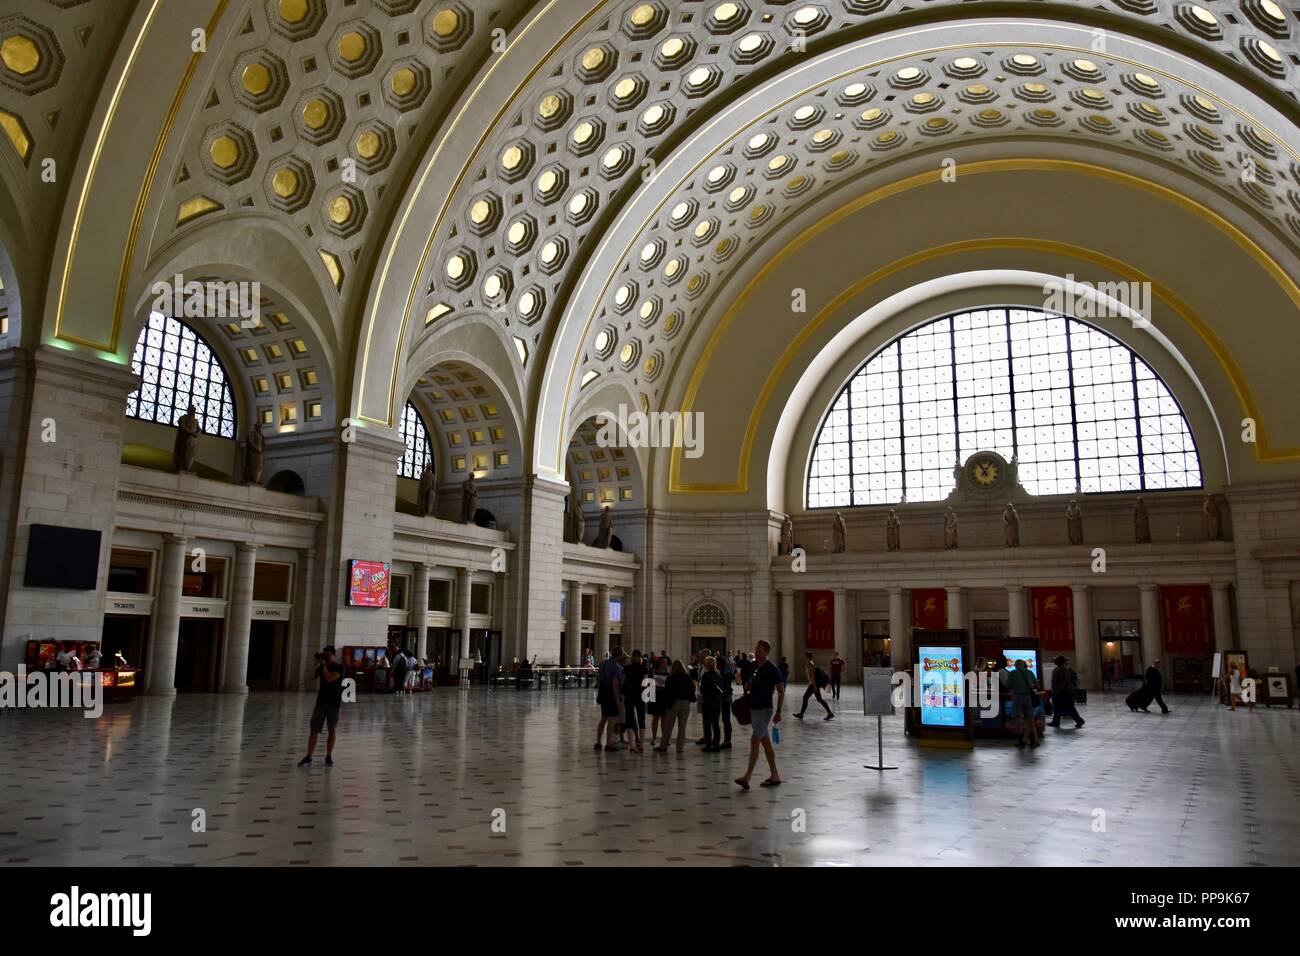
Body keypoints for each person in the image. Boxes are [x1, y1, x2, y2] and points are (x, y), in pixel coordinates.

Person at [735, 640, 784, 789]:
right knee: (766, 743)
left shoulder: (772, 669)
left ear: (766, 652)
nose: (756, 651)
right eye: (756, 648)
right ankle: (775, 775)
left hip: (764, 710)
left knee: (754, 740)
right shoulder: (755, 667)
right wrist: (749, 685)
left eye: (759, 649)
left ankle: (747, 777)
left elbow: (781, 691)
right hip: (754, 709)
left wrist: (779, 712)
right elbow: (752, 683)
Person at [299, 646, 343, 767]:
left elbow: (329, 678)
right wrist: (316, 664)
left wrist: (323, 666)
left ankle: (328, 756)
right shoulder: (321, 667)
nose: (326, 658)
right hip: (321, 702)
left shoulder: (339, 667)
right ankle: (309, 756)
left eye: (328, 655)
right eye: (324, 655)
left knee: (332, 730)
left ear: (334, 655)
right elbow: (311, 678)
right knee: (314, 730)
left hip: (334, 703)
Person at [655, 660, 696, 753]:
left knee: (669, 726)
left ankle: (663, 746)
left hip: (673, 703)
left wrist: (666, 703)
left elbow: (666, 692)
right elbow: (693, 688)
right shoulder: (687, 677)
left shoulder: (671, 678)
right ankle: (680, 748)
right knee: (682, 727)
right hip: (685, 703)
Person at [594, 646, 624, 752]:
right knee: (612, 719)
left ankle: (598, 742)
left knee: (603, 718)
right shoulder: (616, 666)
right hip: (611, 694)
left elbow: (599, 680)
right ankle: (608, 744)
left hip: (603, 692)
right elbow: (615, 684)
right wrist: (617, 700)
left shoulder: (602, 664)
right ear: (620, 655)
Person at [1006, 657, 1040, 748]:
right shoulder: (1030, 672)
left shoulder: (1013, 673)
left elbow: (1007, 685)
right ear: (1024, 665)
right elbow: (1037, 685)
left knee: (1018, 719)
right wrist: (1030, 686)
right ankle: (1032, 741)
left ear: (1016, 665)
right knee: (1030, 719)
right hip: (1028, 697)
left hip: (1017, 697)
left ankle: (1021, 742)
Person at [1047, 655, 1085, 729]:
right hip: (1060, 691)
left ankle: (1079, 721)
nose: (1054, 661)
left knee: (1069, 707)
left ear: (1059, 661)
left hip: (1064, 692)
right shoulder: (1058, 669)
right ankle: (1056, 721)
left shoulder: (1063, 669)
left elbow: (1064, 682)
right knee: (1057, 708)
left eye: (1056, 659)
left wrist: (1057, 690)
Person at [793, 652, 834, 720]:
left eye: (805, 657)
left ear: (808, 657)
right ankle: (830, 713)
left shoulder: (810, 665)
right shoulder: (809, 664)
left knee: (805, 697)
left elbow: (812, 677)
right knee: (819, 699)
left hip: (813, 685)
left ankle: (801, 714)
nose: (804, 658)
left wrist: (814, 686)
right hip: (813, 684)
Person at [623, 650, 647, 752]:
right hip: (640, 696)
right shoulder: (644, 668)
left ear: (632, 657)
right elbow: (646, 684)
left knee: (629, 719)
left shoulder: (627, 668)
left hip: (629, 695)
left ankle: (632, 745)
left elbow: (623, 682)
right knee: (641, 720)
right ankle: (641, 745)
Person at [699, 657, 725, 752]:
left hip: (707, 702)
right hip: (717, 702)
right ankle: (716, 744)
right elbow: (722, 688)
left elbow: (702, 690)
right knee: (715, 723)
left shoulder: (706, 675)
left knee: (707, 724)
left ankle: (708, 745)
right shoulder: (718, 675)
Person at [647, 654, 669, 746]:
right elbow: (649, 686)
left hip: (664, 699)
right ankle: (654, 738)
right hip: (655, 698)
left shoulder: (668, 674)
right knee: (655, 719)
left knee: (664, 720)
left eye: (666, 662)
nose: (665, 664)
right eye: (663, 662)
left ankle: (664, 738)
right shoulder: (652, 673)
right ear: (659, 663)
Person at [717, 652, 734, 749]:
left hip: (724, 699)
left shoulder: (722, 674)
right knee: (726, 720)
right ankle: (727, 740)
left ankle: (727, 741)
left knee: (725, 720)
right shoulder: (727, 673)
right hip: (727, 698)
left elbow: (724, 688)